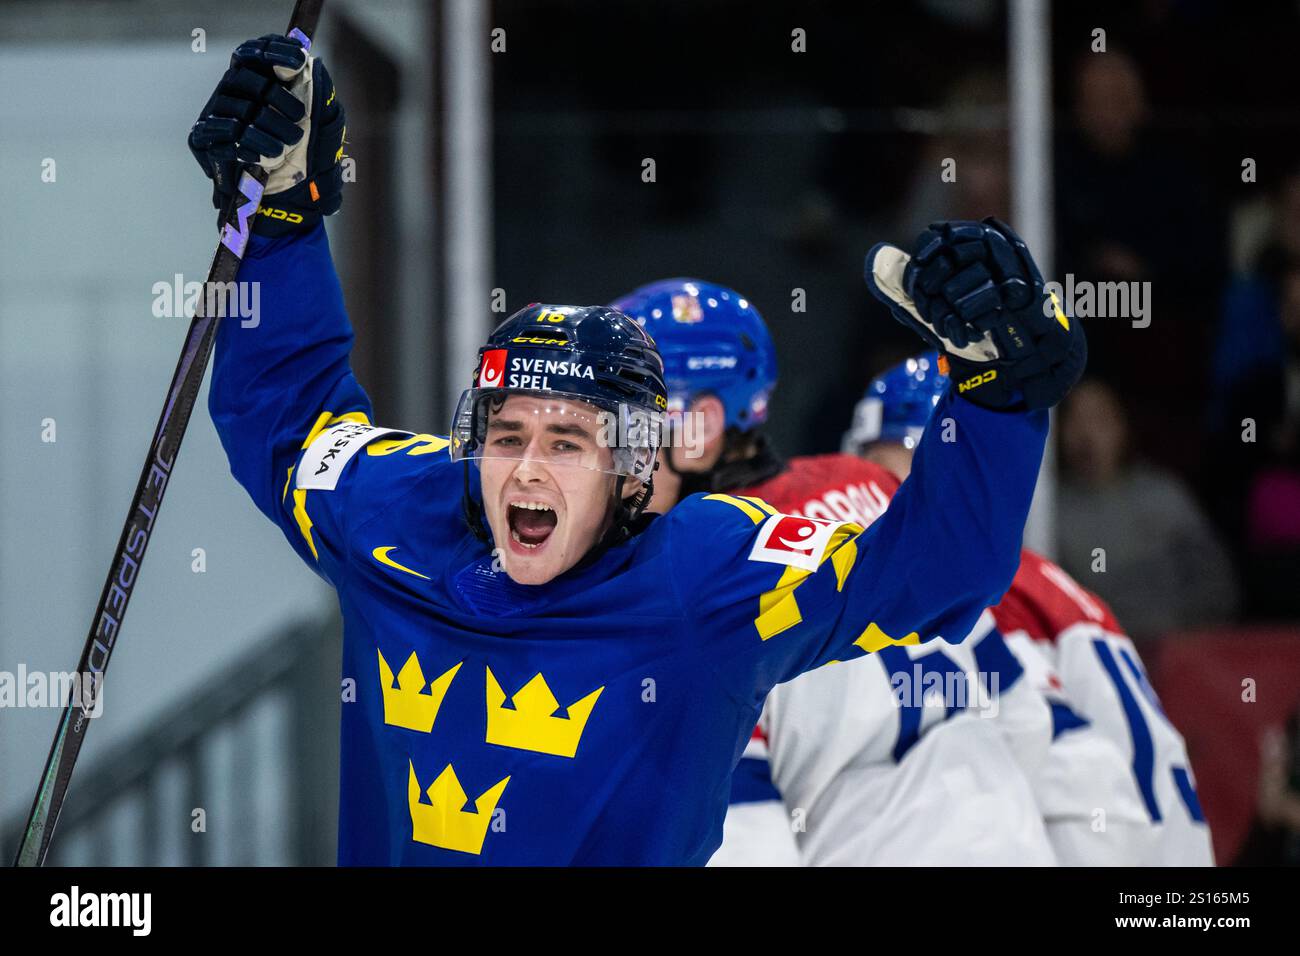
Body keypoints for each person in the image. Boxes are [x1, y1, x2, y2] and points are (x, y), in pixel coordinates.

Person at [191, 35, 1082, 864]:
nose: (529, 466)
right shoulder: (398, 515)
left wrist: (997, 398)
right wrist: (280, 218)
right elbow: (285, 415)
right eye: (507, 434)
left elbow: (934, 571)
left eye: (570, 441)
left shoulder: (708, 580)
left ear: (633, 469)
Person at [613, 284, 1056, 866]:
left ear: (702, 425)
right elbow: (1025, 717)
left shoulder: (703, 574)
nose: (615, 453)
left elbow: (744, 845)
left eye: (632, 426)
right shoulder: (868, 483)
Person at [849, 356, 1214, 866]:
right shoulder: (1043, 590)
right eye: (867, 472)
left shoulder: (993, 598)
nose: (868, 498)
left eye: (893, 476)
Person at [1056, 378, 1238, 644]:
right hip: (1095, 656)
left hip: (1182, 652)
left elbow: (1216, 584)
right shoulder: (1045, 516)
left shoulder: (1166, 496)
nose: (1087, 435)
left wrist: (1184, 639)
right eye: (1076, 421)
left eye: (1100, 420)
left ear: (1122, 426)